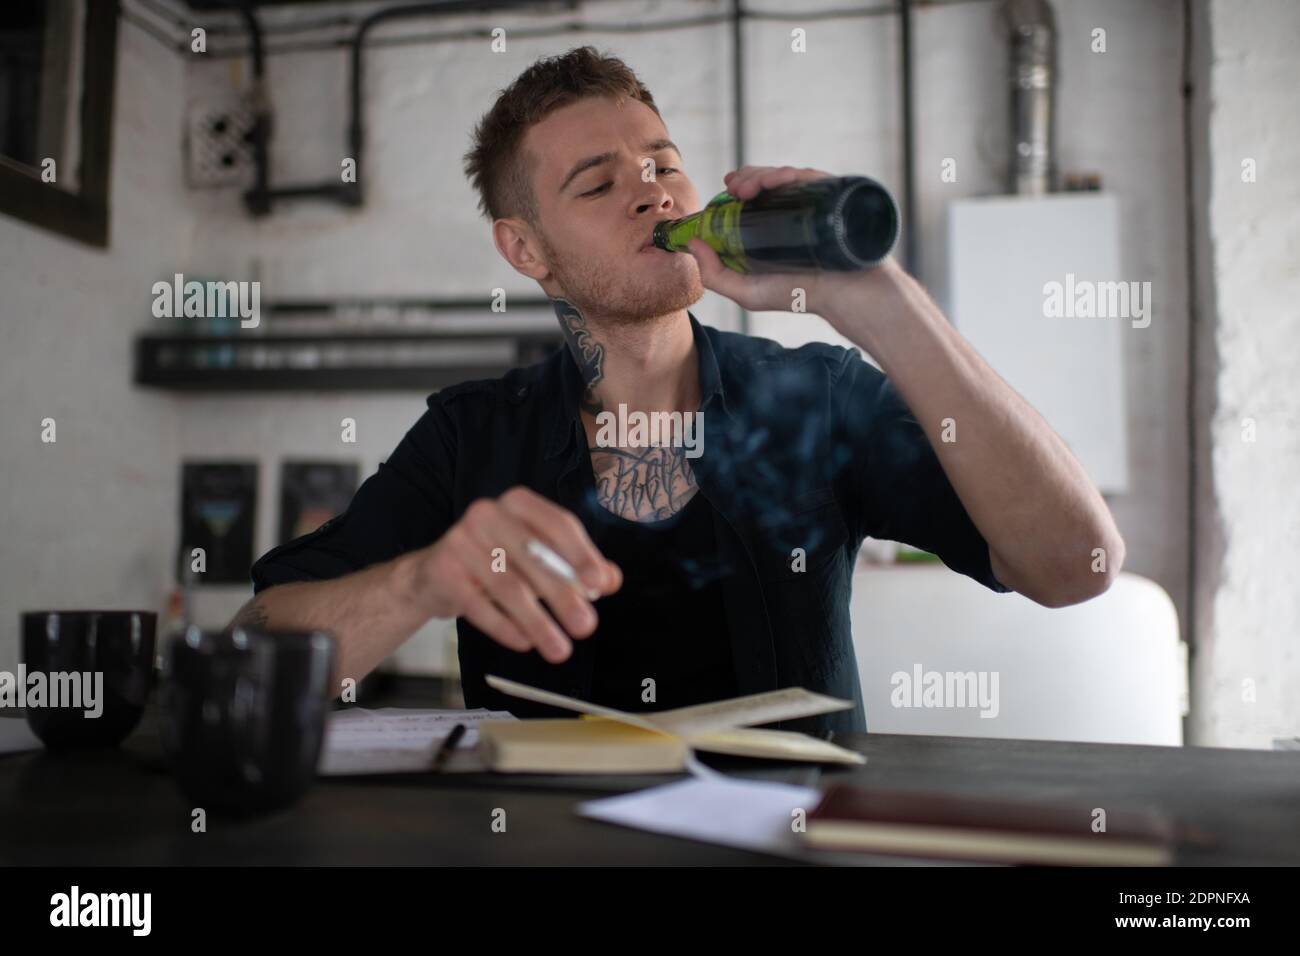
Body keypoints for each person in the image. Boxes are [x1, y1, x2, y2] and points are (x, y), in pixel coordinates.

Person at [235, 46, 1125, 735]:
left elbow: (1076, 566)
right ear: (526, 250)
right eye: (599, 183)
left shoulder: (818, 399)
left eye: (663, 164)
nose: (653, 196)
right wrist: (423, 580)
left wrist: (879, 300)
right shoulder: (471, 438)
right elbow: (253, 656)